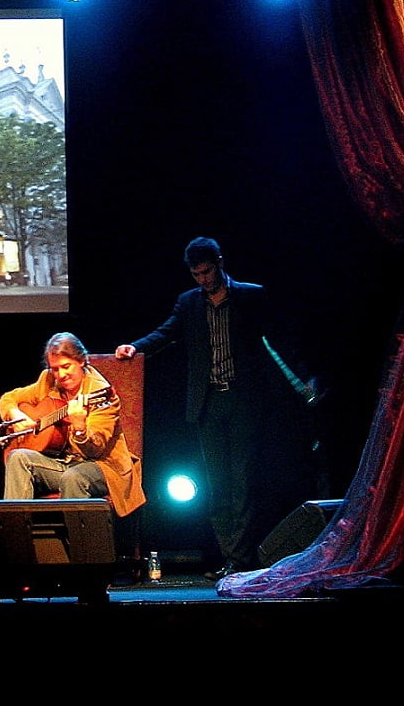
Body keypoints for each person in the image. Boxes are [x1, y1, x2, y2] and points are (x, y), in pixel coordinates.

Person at [115, 236, 318, 579]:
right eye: (197, 275)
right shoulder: (189, 304)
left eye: (207, 272)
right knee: (217, 485)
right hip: (209, 404)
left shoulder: (251, 296)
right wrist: (134, 348)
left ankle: (242, 561)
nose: (204, 280)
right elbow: (166, 333)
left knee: (242, 481)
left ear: (220, 262)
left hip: (244, 402)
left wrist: (304, 377)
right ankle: (231, 559)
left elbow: (280, 339)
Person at [0, 332, 146, 520]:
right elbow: (8, 398)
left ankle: (76, 546)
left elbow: (94, 450)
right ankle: (16, 538)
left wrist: (80, 428)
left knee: (73, 477)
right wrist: (15, 415)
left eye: (66, 367)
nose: (61, 375)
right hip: (62, 463)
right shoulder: (48, 380)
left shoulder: (101, 394)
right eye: (55, 369)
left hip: (103, 467)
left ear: (81, 360)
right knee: (18, 457)